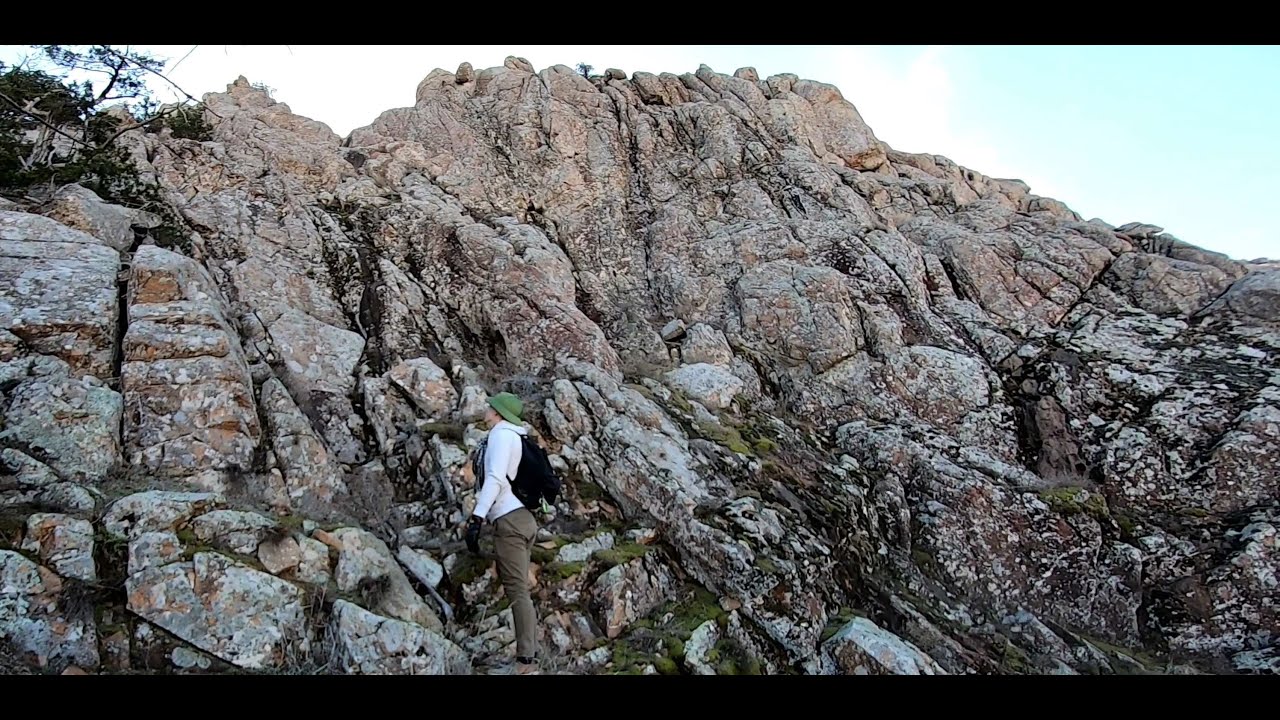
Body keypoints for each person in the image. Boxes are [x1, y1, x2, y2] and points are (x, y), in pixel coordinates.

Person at [464, 392, 540, 675]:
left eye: (490, 406)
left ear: (498, 413)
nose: (486, 409)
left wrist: (477, 517)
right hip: (524, 520)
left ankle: (526, 662)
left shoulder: (500, 435)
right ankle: (529, 656)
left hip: (510, 522)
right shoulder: (516, 436)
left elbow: (495, 478)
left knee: (518, 591)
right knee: (520, 590)